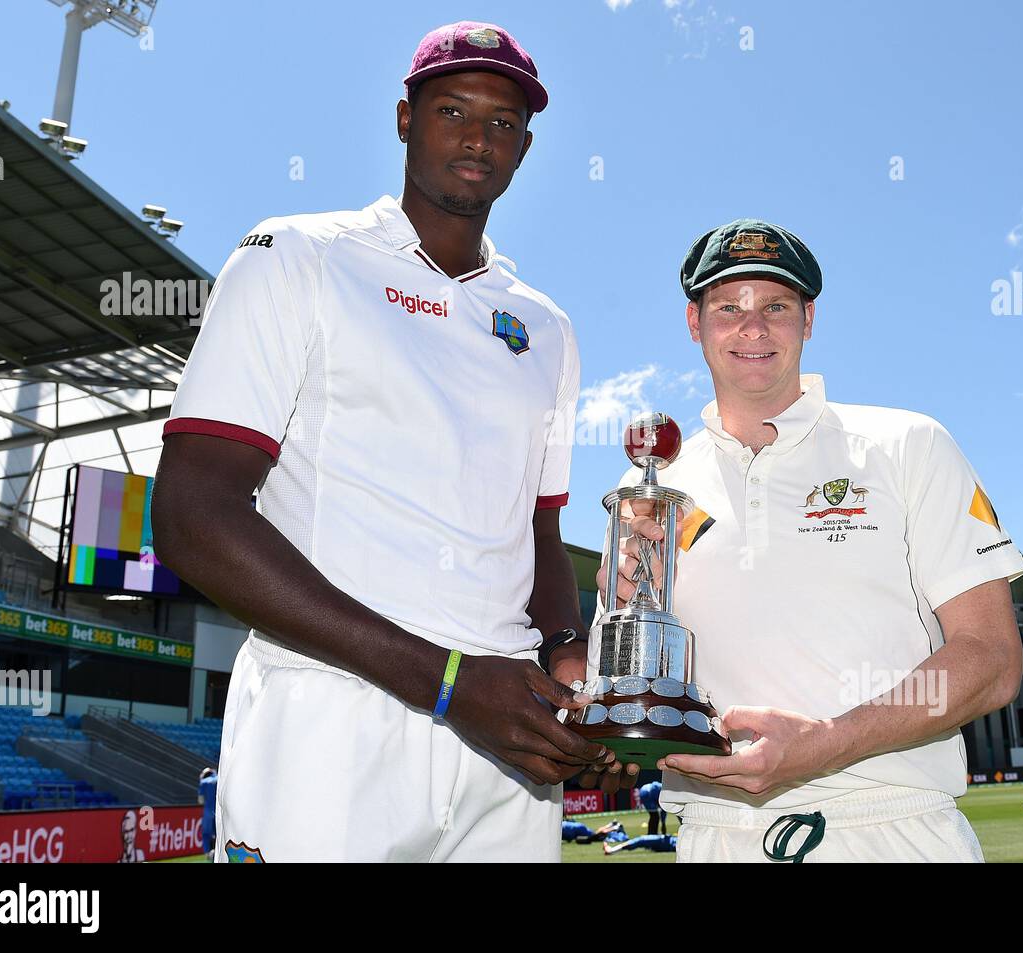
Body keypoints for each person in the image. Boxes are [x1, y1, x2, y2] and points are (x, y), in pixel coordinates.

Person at [153, 20, 632, 863]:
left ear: (526, 146)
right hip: (333, 716)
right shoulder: (297, 255)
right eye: (453, 110)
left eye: (504, 122)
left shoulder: (546, 327)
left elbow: (540, 536)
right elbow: (194, 513)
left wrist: (567, 659)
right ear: (404, 117)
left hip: (507, 739)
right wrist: (446, 684)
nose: (479, 137)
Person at [596, 219, 1023, 863]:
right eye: (727, 308)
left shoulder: (906, 444)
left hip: (890, 826)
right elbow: (627, 695)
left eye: (775, 305)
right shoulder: (650, 491)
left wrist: (829, 741)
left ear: (809, 318)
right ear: (694, 322)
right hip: (716, 834)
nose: (753, 328)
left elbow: (991, 659)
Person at [197, 767, 218, 860]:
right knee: (219, 833)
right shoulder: (219, 778)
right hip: (219, 811)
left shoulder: (204, 782)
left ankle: (207, 853)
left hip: (209, 811)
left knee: (206, 834)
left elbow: (200, 800)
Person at [561, 819, 626, 845]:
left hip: (576, 829)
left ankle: (614, 827)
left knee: (595, 835)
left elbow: (569, 838)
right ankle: (611, 825)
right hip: (577, 826)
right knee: (595, 833)